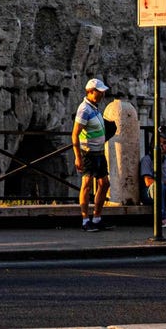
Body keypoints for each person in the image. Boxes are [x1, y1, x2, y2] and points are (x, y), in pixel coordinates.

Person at [72, 77, 113, 233]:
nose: (102, 95)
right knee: (86, 185)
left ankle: (97, 218)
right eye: (99, 92)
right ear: (90, 92)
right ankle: (85, 220)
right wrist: (78, 156)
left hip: (99, 152)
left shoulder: (95, 107)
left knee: (104, 183)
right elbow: (75, 134)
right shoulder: (84, 109)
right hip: (88, 153)